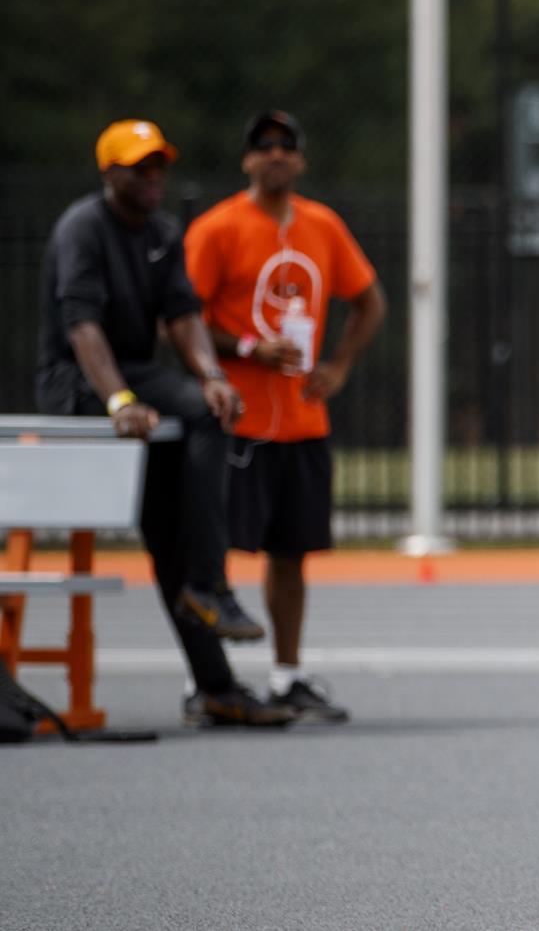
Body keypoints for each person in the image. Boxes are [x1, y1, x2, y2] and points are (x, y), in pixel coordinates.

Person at [35, 119, 293, 727]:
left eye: (160, 166)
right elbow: (82, 328)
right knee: (183, 458)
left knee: (205, 423)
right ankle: (208, 593)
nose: (154, 177)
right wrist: (119, 401)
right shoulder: (83, 228)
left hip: (135, 375)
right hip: (79, 378)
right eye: (140, 167)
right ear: (109, 173)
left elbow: (183, 316)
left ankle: (212, 649)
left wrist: (212, 375)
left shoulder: (163, 233)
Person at [183, 111, 386, 723]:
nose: (275, 155)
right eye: (263, 146)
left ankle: (287, 675)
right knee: (211, 556)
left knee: (292, 553)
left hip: (300, 419)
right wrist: (248, 349)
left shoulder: (322, 225)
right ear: (247, 159)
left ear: (300, 159)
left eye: (286, 146)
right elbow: (183, 320)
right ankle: (208, 682)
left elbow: (369, 300)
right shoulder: (217, 228)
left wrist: (340, 365)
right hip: (237, 419)